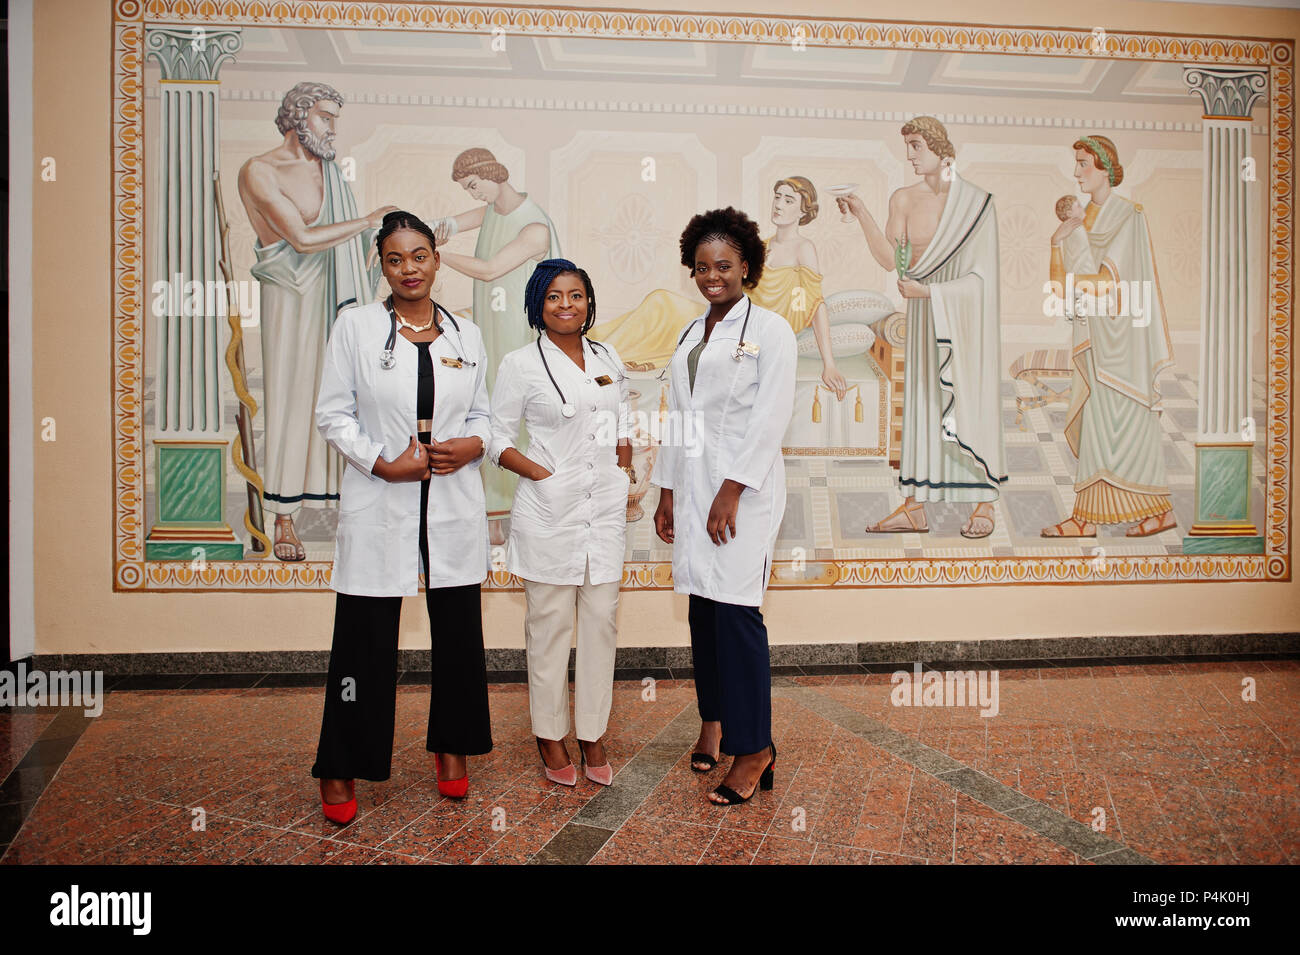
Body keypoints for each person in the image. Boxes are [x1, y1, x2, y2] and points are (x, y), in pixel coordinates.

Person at [311, 211, 494, 822]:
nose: (410, 268)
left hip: (451, 499)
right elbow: (334, 415)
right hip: (382, 499)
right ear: (381, 265)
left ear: (437, 261)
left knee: (460, 636)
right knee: (362, 640)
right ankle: (341, 763)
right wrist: (380, 463)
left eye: (420, 256)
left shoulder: (466, 335)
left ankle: (452, 747)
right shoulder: (355, 327)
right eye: (396, 258)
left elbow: (484, 417)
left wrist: (473, 445)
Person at [652, 208, 796, 806]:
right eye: (703, 266)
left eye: (725, 266)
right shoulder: (690, 334)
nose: (713, 276)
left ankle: (754, 746)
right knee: (703, 613)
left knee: (736, 616)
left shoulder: (771, 331)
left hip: (742, 496)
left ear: (747, 268)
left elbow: (770, 419)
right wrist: (665, 490)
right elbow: (676, 418)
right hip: (692, 489)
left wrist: (731, 488)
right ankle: (712, 721)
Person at [488, 259, 633, 787]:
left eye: (576, 295)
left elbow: (623, 417)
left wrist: (623, 461)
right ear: (537, 305)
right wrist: (538, 473)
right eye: (554, 296)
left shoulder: (607, 356)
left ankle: (592, 732)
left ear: (589, 301)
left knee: (601, 626)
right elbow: (495, 436)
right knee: (548, 629)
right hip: (550, 513)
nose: (566, 305)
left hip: (604, 515)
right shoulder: (520, 364)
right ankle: (549, 736)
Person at [237, 80, 396, 560]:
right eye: (325, 117)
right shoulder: (260, 170)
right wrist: (369, 220)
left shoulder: (330, 172)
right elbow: (304, 240)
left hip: (333, 297)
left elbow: (343, 247)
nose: (331, 128)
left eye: (334, 119)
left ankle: (333, 505)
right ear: (297, 116)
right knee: (292, 400)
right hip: (290, 297)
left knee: (344, 396)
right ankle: (283, 519)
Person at [838, 116, 1006, 538]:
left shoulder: (977, 203)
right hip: (921, 315)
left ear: (938, 148)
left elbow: (984, 279)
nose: (909, 155)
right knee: (926, 403)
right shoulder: (903, 199)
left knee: (968, 398)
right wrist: (861, 213)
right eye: (907, 146)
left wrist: (931, 294)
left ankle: (983, 501)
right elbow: (890, 258)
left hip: (964, 317)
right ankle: (915, 506)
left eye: (916, 146)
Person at [1041, 135, 1176, 538]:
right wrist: (1056, 242)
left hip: (1124, 341)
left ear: (1104, 167)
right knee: (1099, 422)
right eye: (1077, 163)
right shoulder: (1084, 220)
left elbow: (1108, 282)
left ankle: (1160, 510)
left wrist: (1073, 263)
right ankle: (1085, 518)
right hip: (1096, 336)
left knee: (1130, 423)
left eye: (1084, 164)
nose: (1077, 172)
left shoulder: (1129, 215)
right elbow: (1060, 287)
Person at [429, 148, 562, 544]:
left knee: (516, 415)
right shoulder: (492, 212)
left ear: (490, 175)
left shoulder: (534, 227)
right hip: (491, 329)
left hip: (518, 333)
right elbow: (449, 223)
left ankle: (520, 516)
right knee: (488, 410)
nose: (473, 194)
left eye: (474, 185)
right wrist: (415, 229)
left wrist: (435, 256)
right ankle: (491, 519)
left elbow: (489, 271)